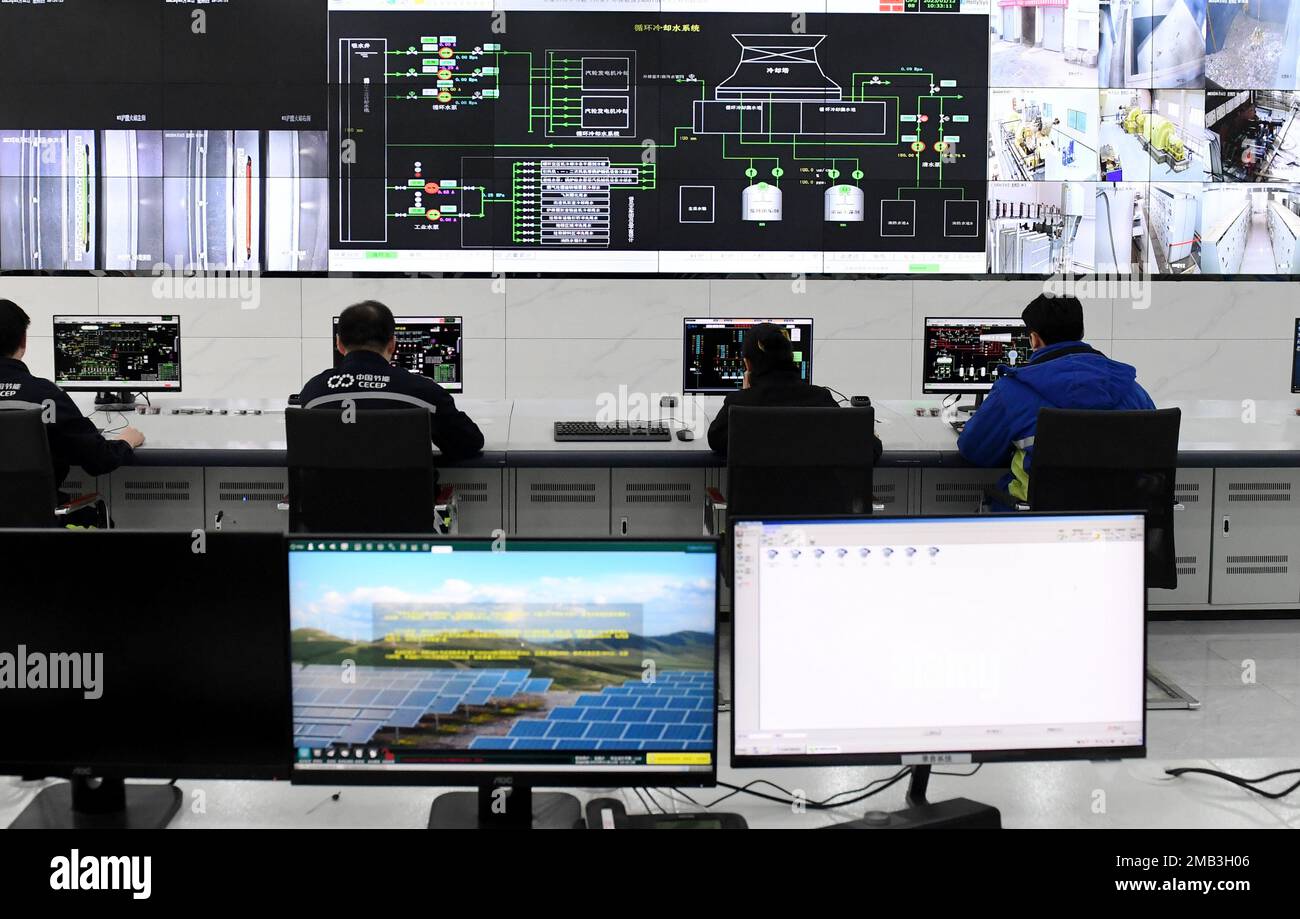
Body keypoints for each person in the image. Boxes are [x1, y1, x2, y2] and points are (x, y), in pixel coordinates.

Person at [957, 294, 1155, 504]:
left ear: (1034, 339)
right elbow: (1153, 449)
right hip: (1120, 522)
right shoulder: (1130, 389)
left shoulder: (1012, 392)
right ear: (1081, 333)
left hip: (1037, 523)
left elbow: (974, 449)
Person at [299, 300, 484, 459]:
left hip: (327, 500)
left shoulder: (314, 393)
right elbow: (468, 443)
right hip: (407, 500)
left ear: (339, 344)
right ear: (392, 344)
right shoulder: (423, 393)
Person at [0, 298, 144, 500]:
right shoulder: (46, 396)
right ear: (23, 340)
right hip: (37, 521)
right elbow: (98, 460)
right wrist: (126, 442)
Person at [707, 322, 883, 462]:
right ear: (790, 358)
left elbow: (716, 441)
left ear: (748, 364)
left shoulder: (738, 404)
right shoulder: (820, 399)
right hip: (814, 505)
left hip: (755, 506)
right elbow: (871, 448)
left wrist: (745, 395)